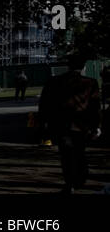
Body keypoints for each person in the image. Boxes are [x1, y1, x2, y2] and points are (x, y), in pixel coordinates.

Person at [38, 51, 103, 192]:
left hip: (61, 124)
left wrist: (44, 125)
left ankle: (70, 183)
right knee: (79, 152)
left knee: (66, 154)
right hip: (81, 125)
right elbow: (95, 107)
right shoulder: (90, 83)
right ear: (83, 67)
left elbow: (44, 105)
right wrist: (96, 126)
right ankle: (79, 178)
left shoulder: (54, 82)